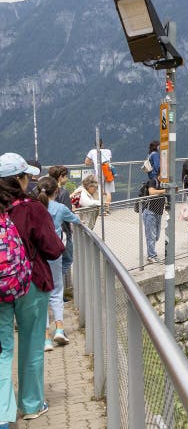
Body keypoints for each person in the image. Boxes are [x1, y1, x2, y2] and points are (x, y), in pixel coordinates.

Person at [0, 152, 64, 423]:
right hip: (32, 284)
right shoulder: (32, 208)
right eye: (26, 176)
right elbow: (53, 250)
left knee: (3, 349)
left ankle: (3, 413)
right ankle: (32, 404)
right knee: (31, 344)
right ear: (19, 179)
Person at [36, 176, 81, 352]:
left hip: (37, 256)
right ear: (57, 191)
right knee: (56, 290)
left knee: (42, 295)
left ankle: (45, 338)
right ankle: (60, 329)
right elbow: (76, 220)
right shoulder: (60, 208)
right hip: (54, 253)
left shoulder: (34, 208)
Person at [47, 166, 74, 295]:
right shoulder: (63, 193)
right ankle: (56, 287)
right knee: (67, 259)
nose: (67, 178)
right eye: (65, 176)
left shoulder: (44, 190)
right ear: (60, 177)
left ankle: (53, 285)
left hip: (48, 233)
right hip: (63, 233)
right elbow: (67, 214)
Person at [142, 174, 167, 264]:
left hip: (158, 213)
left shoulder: (166, 183)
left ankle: (151, 253)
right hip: (150, 212)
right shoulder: (153, 181)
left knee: (156, 236)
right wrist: (165, 190)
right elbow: (151, 192)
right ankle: (151, 256)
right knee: (151, 236)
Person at [85, 139, 113, 205]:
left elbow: (86, 162)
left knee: (99, 190)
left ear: (95, 145)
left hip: (99, 173)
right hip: (108, 172)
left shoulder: (92, 151)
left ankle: (101, 207)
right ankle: (107, 209)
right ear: (102, 144)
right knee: (108, 191)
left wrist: (94, 162)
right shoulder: (108, 151)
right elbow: (109, 160)